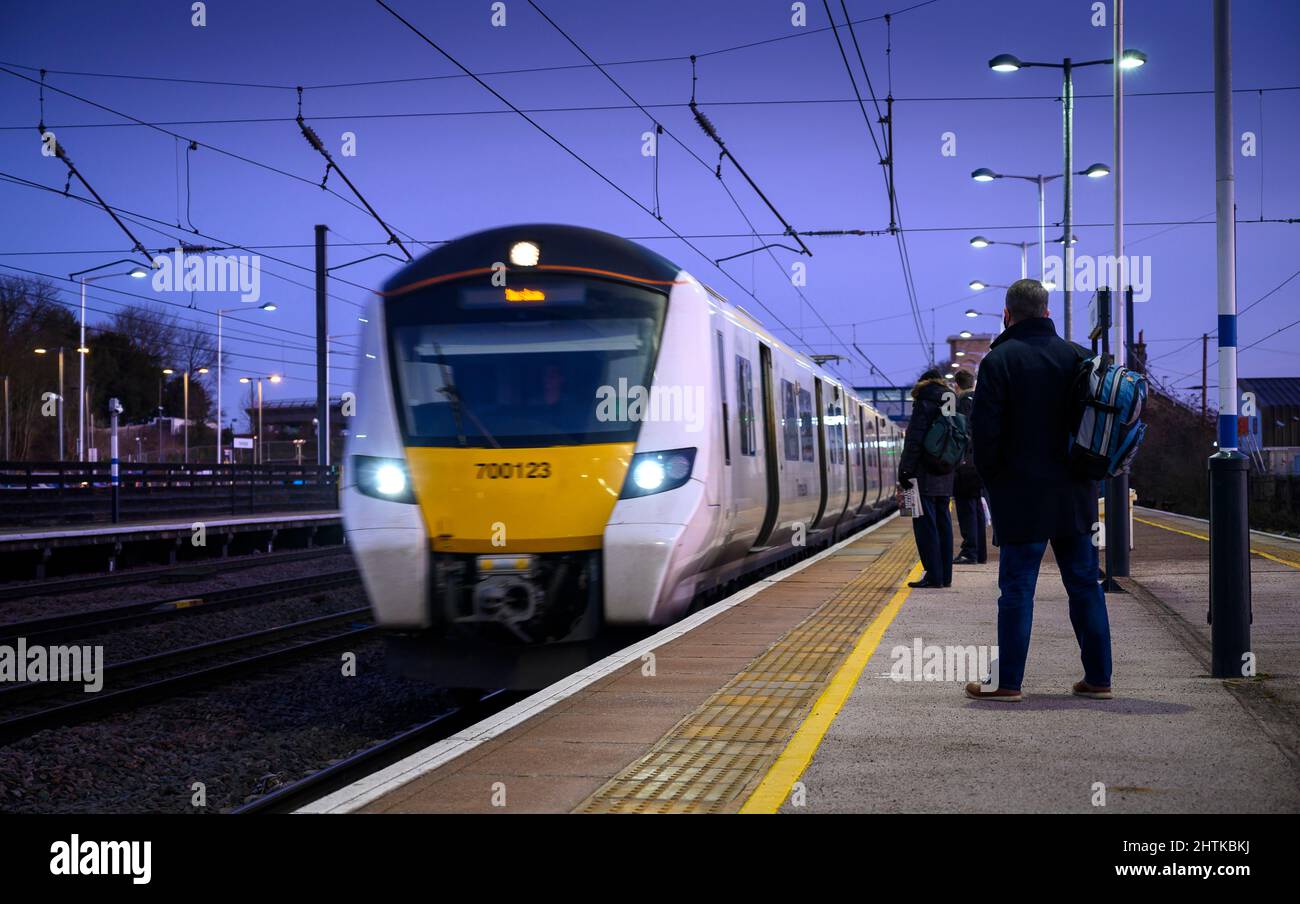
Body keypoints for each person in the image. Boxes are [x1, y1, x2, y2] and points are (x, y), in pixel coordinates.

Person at [965, 279, 1111, 703]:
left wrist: (994, 485)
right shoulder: (1080, 358)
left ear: (1007, 315)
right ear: (1047, 313)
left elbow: (985, 438)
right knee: (1085, 584)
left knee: (1016, 589)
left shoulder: (999, 362)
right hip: (1074, 493)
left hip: (1020, 496)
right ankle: (1099, 678)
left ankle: (1008, 682)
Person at [896, 369, 955, 589]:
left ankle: (933, 575)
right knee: (944, 523)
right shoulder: (950, 398)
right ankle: (945, 575)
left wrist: (905, 470)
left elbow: (915, 436)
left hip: (923, 473)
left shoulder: (925, 398)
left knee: (925, 526)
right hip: (945, 471)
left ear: (923, 382)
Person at [951, 370, 987, 565]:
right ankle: (979, 552)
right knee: (976, 508)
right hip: (979, 462)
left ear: (957, 385)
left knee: (966, 509)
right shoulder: (981, 399)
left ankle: (970, 552)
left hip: (965, 463)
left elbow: (960, 432)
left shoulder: (961, 403)